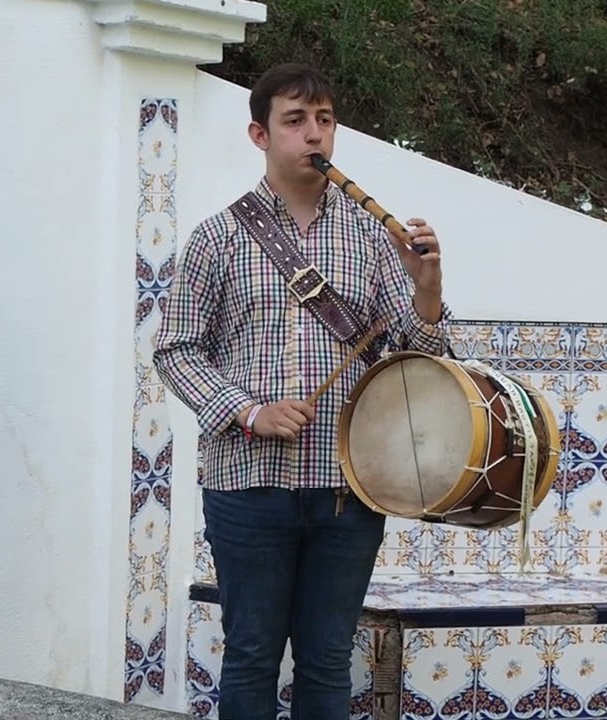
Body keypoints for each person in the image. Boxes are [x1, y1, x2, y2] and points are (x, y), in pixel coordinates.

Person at [153, 62, 451, 719]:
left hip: (347, 486)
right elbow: (174, 351)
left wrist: (426, 288)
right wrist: (250, 411)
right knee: (253, 655)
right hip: (245, 484)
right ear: (260, 135)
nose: (314, 134)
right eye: (295, 121)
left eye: (325, 119)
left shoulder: (373, 236)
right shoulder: (218, 236)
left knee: (326, 660)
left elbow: (416, 353)